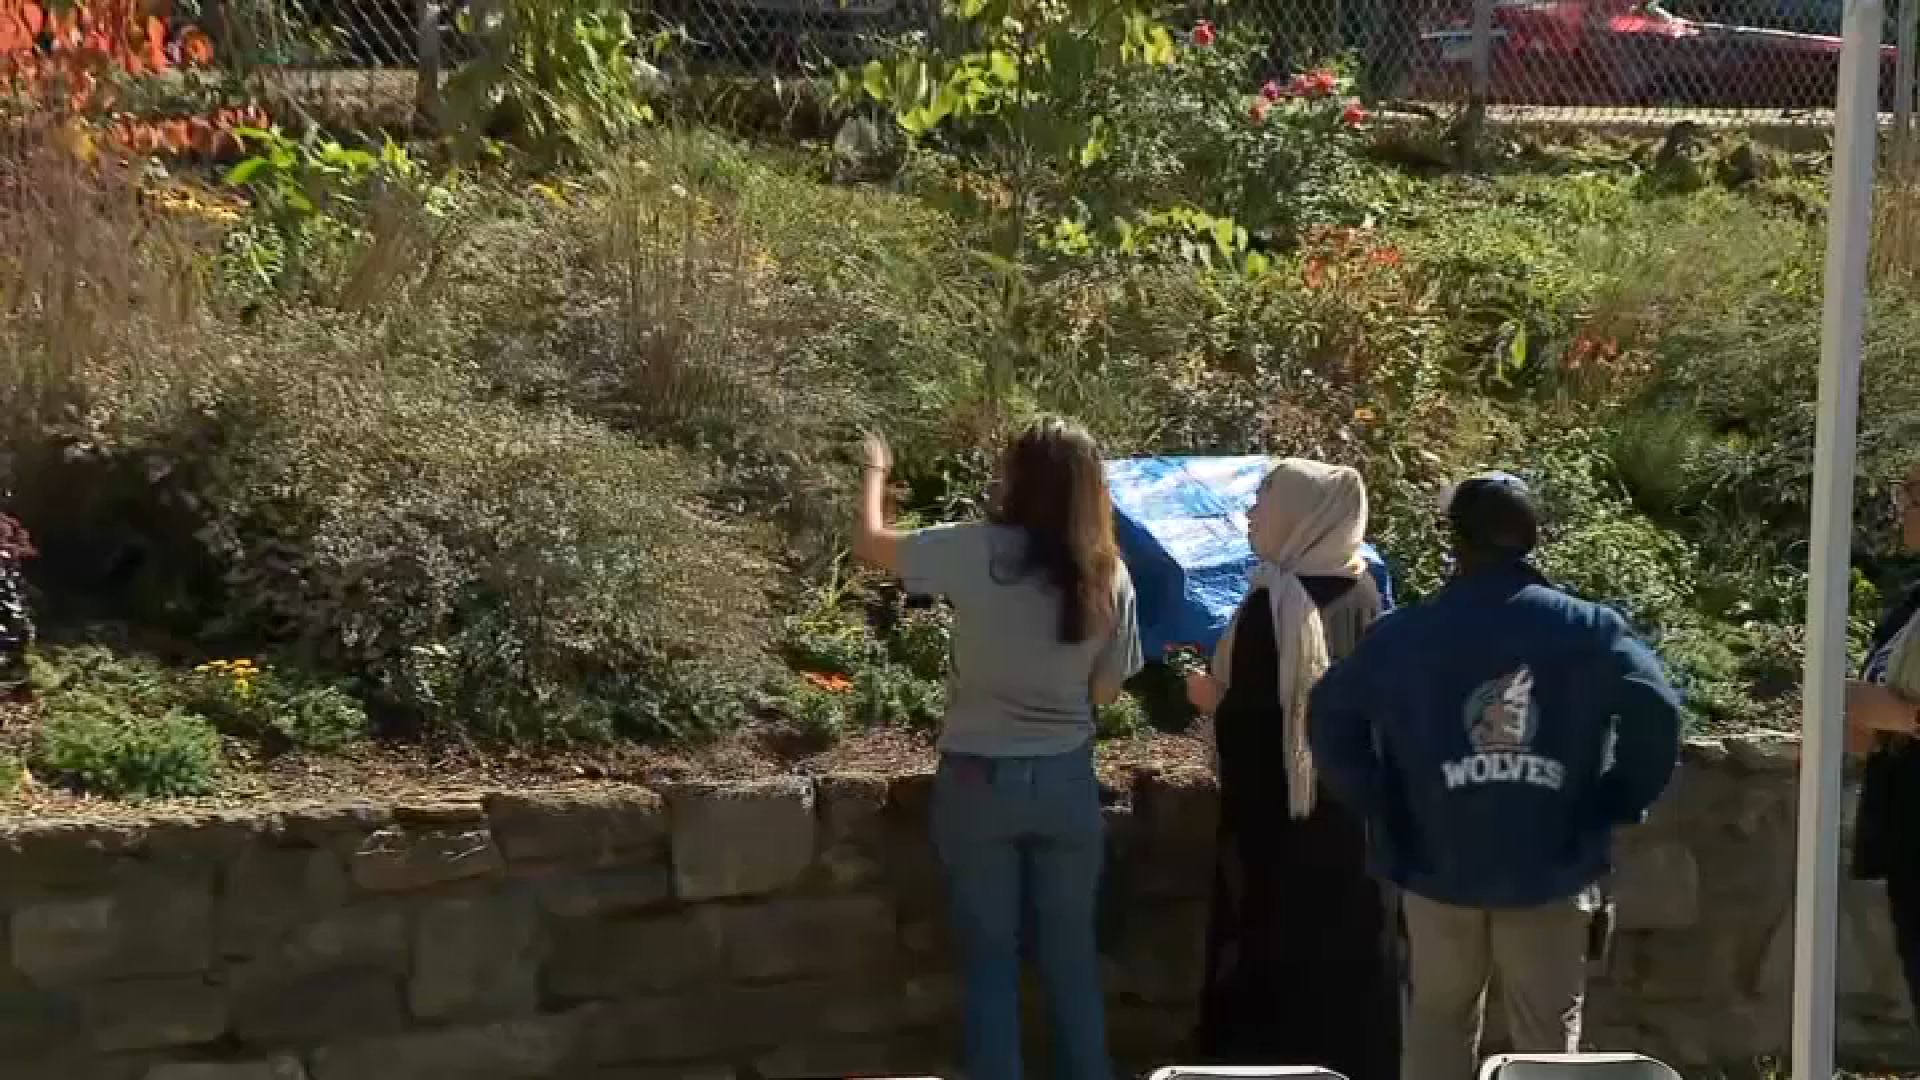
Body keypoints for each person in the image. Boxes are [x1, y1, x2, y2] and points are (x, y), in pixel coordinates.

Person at [1308, 471, 1683, 1080]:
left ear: (1455, 543)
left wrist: (1380, 800)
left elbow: (1330, 714)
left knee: (1437, 1025)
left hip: (1434, 866)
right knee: (1544, 1046)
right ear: (1532, 537)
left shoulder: (1405, 636)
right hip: (1551, 866)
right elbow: (1657, 712)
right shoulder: (1588, 630)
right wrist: (1615, 798)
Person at [850, 418, 1142, 1080]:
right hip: (1066, 782)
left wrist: (875, 468)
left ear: (1015, 477)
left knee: (989, 963)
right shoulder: (1109, 574)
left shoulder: (977, 550)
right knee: (1070, 961)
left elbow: (870, 544)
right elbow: (1105, 694)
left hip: (978, 779)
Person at [1181, 458, 1402, 1080]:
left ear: (1300, 517)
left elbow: (1261, 727)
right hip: (1347, 819)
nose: (1251, 514)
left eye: (1264, 500)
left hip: (1284, 827)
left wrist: (1211, 700)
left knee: (1281, 972)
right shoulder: (1359, 589)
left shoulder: (1276, 605)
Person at [1849, 461, 1920, 1020]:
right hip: (1905, 825)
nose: (1902, 502)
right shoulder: (1909, 602)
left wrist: (1898, 717)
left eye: (1915, 492)